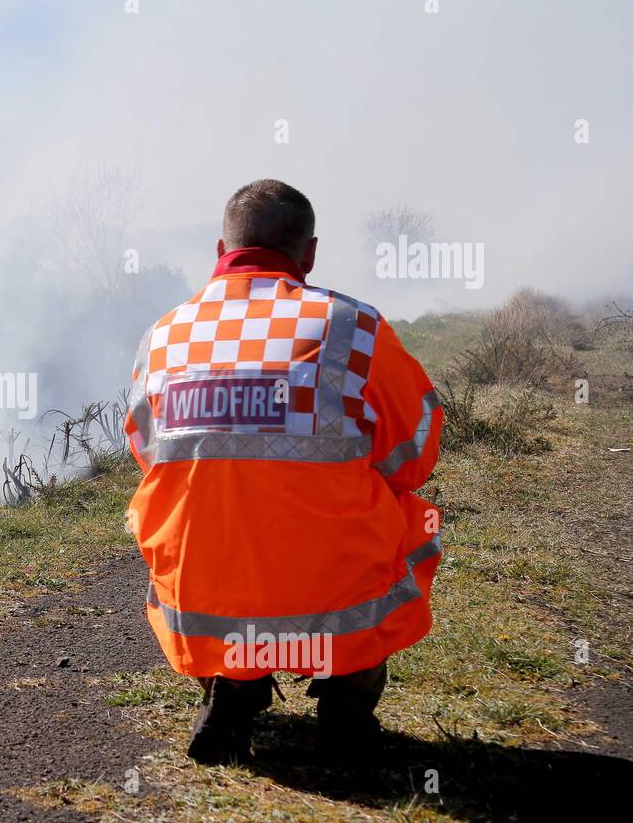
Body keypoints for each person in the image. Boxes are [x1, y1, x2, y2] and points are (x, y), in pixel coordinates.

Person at [124, 179, 443, 763]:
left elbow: (150, 456)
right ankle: (346, 710)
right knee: (410, 514)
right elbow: (412, 456)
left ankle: (233, 686)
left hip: (206, 595)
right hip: (330, 592)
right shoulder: (354, 328)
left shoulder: (163, 335)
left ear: (222, 250)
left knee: (196, 509)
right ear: (310, 254)